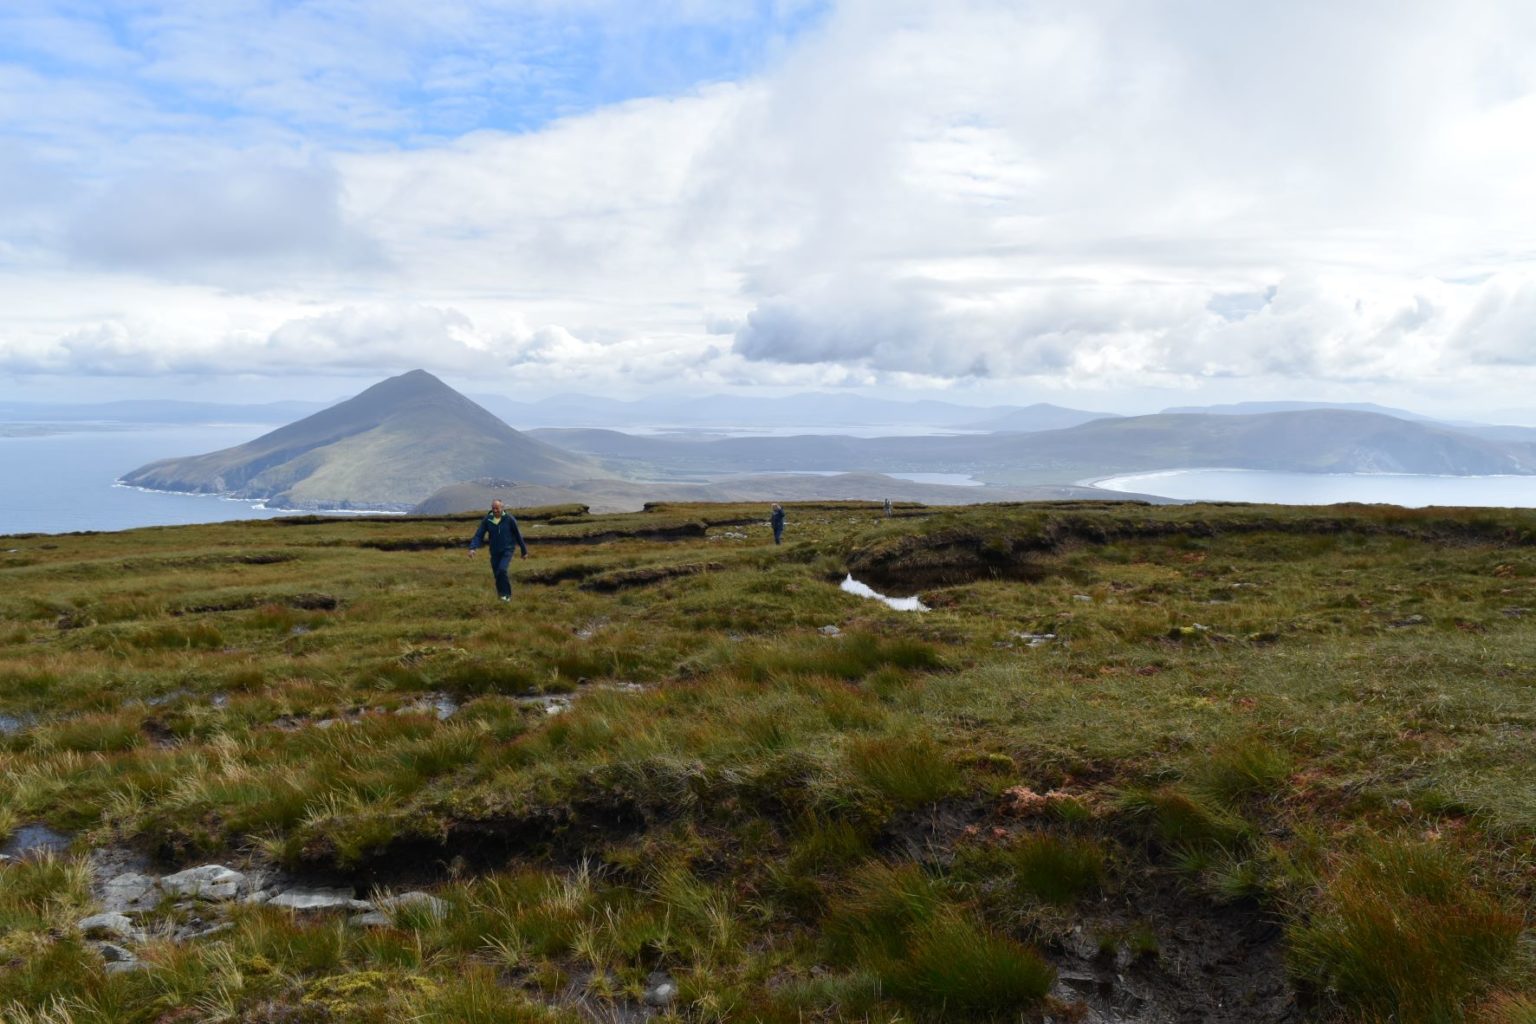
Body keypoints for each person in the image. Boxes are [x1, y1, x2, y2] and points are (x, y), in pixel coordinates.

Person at [468, 499, 528, 602]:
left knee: (502, 570)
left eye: (497, 508)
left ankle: (507, 595)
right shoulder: (487, 519)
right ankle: (501, 596)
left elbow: (518, 535)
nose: (495, 510)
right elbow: (479, 535)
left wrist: (524, 551)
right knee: (497, 574)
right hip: (494, 551)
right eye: (493, 508)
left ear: (502, 508)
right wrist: (472, 548)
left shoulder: (509, 519)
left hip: (507, 550)